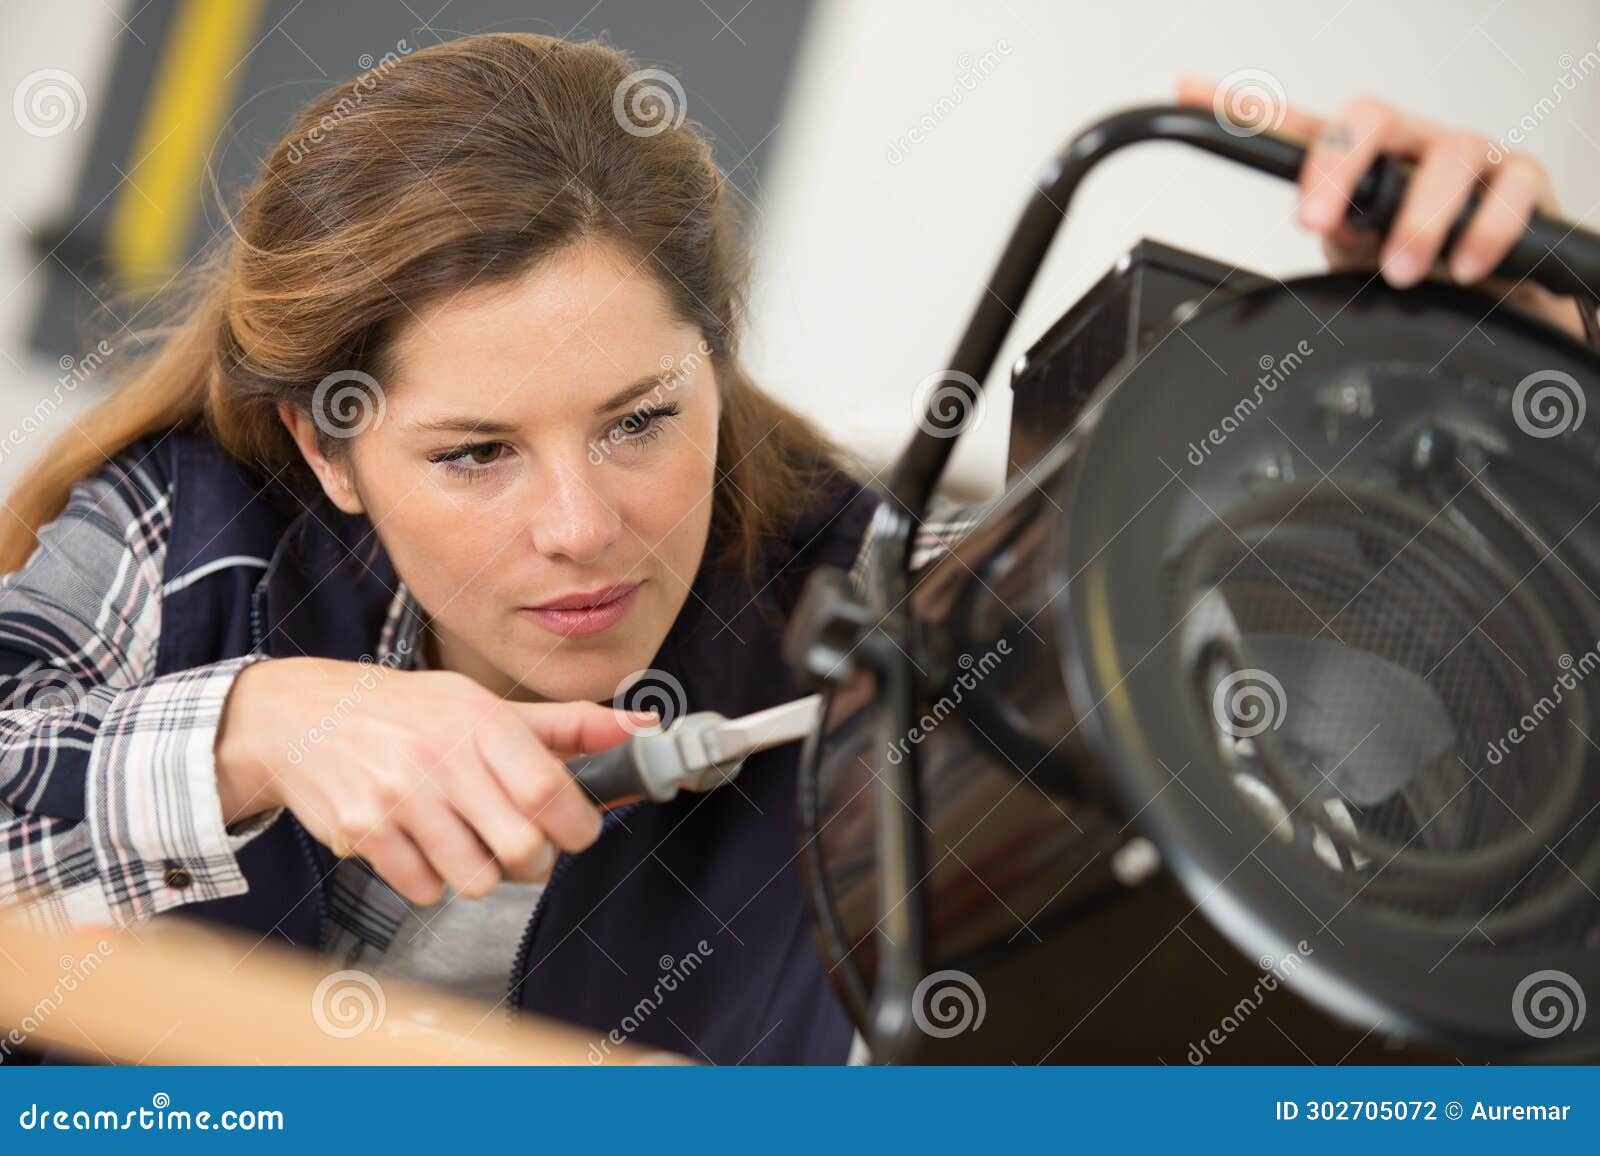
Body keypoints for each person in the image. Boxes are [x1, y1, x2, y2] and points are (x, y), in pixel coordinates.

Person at [0, 38, 1587, 1065]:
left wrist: (1504, 372)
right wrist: (262, 727)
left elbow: (1355, 719)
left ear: (717, 363)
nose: (581, 531)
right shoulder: (179, 538)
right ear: (326, 448)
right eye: (474, 455)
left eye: (638, 419)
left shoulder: (882, 609)